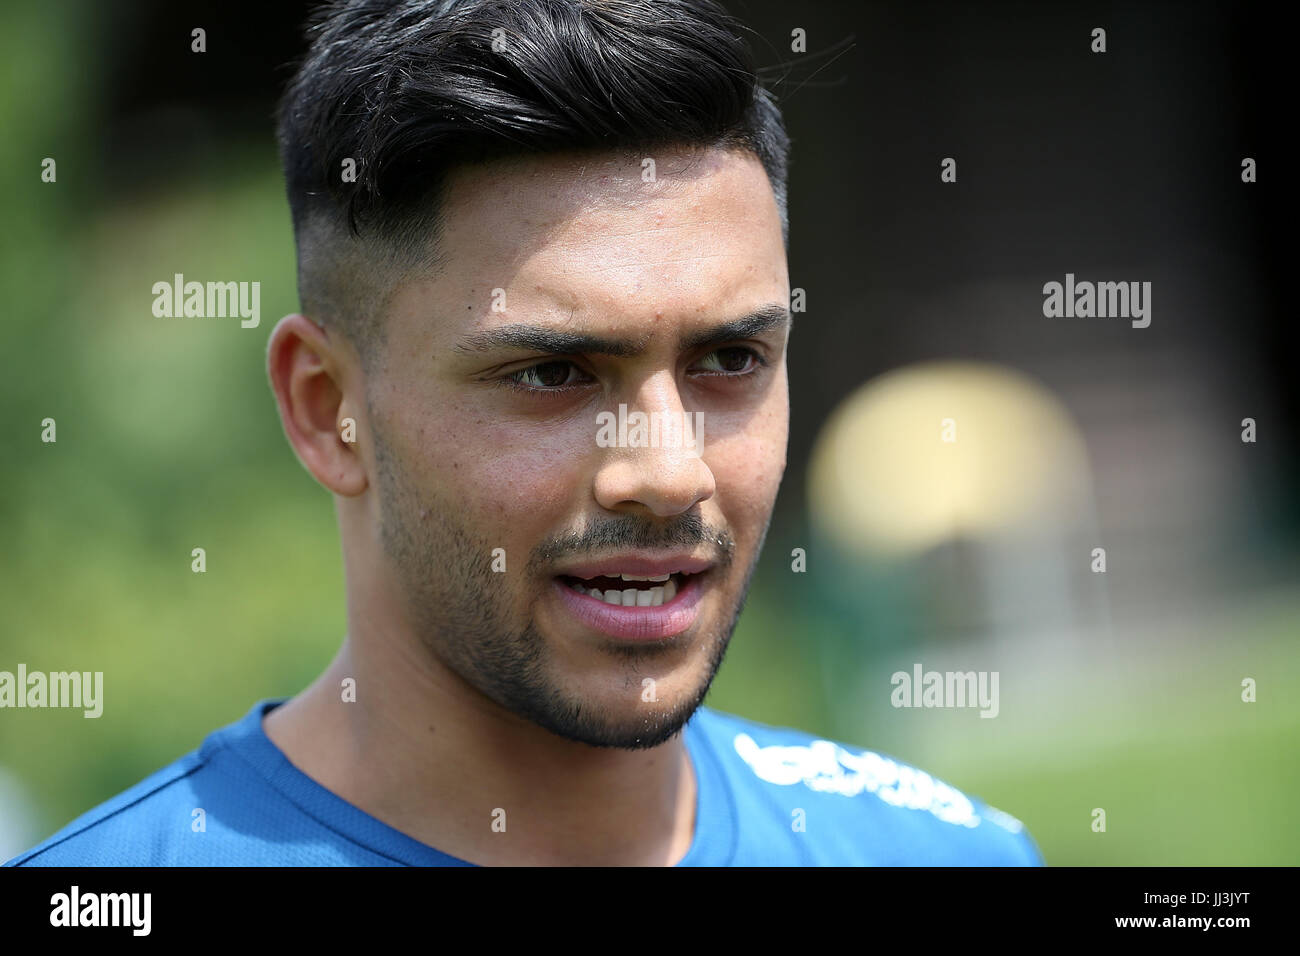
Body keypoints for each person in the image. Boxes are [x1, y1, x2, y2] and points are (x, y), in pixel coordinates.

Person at [7, 0, 1041, 867]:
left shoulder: (937, 850)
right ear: (328, 410)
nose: (668, 472)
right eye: (552, 372)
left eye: (728, 361)